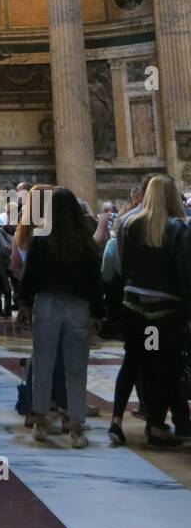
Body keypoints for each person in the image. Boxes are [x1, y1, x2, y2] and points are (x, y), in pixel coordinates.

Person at [19, 188, 104, 448]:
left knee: (43, 364)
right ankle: (76, 427)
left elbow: (29, 276)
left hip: (46, 305)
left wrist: (23, 304)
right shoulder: (85, 241)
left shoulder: (42, 239)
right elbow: (95, 280)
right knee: (76, 368)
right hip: (77, 307)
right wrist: (98, 313)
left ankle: (41, 423)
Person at [111, 175, 189, 448]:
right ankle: (156, 427)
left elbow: (125, 267)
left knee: (133, 362)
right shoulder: (178, 228)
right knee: (162, 367)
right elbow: (185, 274)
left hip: (134, 306)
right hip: (163, 313)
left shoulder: (131, 224)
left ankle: (116, 420)